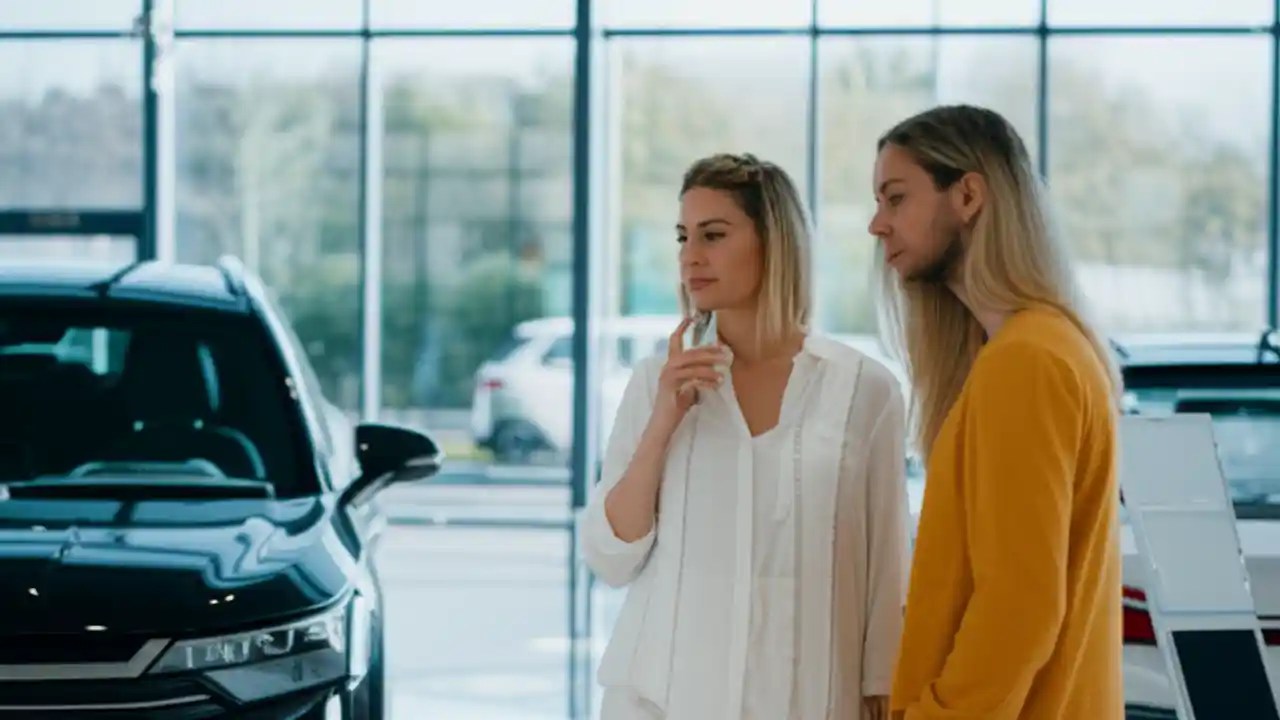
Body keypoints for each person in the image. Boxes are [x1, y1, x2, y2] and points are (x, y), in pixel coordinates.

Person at [582, 152, 910, 720]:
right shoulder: (655, 383)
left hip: (810, 702)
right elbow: (611, 557)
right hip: (660, 704)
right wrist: (663, 421)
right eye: (683, 237)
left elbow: (888, 568)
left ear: (773, 242)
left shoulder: (866, 391)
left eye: (713, 235)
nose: (691, 257)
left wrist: (883, 690)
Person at [867, 104, 1124, 719]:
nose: (878, 225)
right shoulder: (1039, 347)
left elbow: (1021, 604)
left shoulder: (1026, 362)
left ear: (969, 195)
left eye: (895, 198)